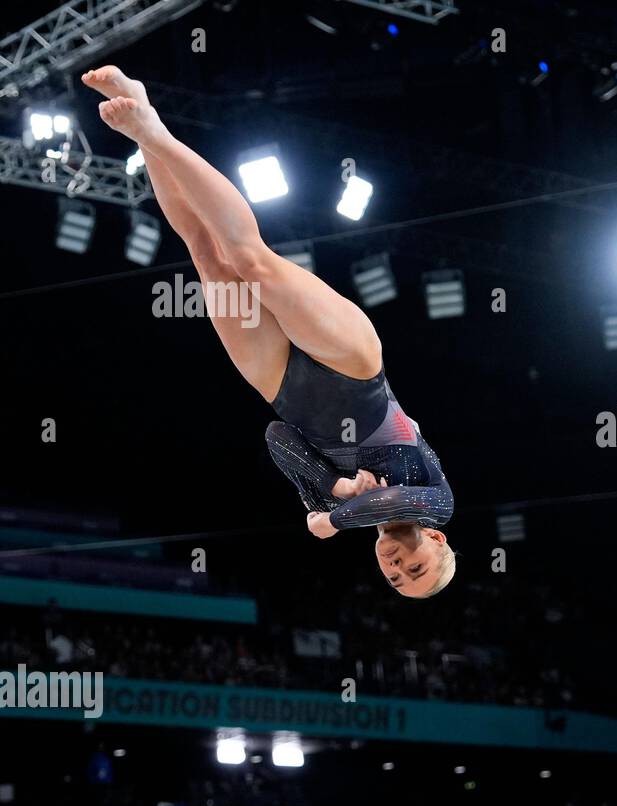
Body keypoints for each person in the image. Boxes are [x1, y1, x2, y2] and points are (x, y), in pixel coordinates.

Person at [82, 66, 455, 597]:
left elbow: (278, 438)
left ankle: (145, 117)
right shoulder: (437, 501)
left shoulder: (339, 501)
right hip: (354, 366)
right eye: (414, 568)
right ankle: (155, 134)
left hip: (282, 387)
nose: (396, 566)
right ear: (437, 542)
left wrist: (336, 488)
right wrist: (334, 515)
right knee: (250, 260)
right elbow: (392, 505)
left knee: (206, 254)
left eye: (393, 577)